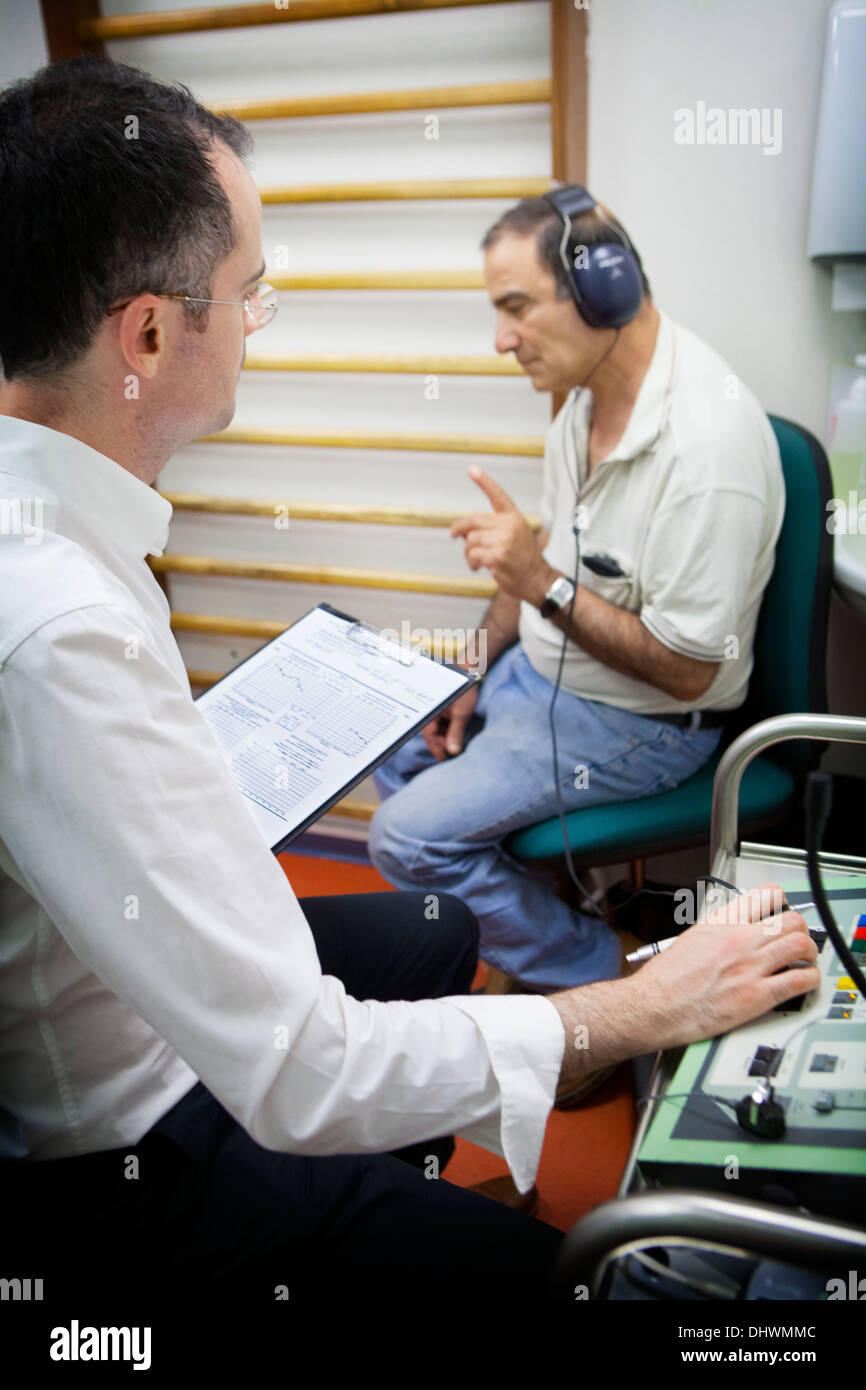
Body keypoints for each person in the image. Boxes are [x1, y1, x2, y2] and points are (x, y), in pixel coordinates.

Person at [0, 58, 816, 1315]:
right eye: (249, 291)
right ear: (151, 333)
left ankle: (425, 1146)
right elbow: (296, 1067)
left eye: (509, 307)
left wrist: (528, 602)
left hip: (622, 720)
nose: (260, 318)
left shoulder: (701, 445)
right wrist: (636, 1006)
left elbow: (677, 659)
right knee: (411, 815)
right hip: (138, 1129)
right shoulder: (55, 624)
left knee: (424, 898)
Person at [370, 186, 785, 1006]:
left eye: (517, 308)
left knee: (406, 838)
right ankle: (539, 925)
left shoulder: (707, 447)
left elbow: (687, 675)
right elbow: (545, 564)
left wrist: (539, 584)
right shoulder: (585, 403)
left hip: (646, 720)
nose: (501, 342)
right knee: (390, 741)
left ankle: (606, 972)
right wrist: (476, 667)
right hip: (544, 678)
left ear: (605, 291)